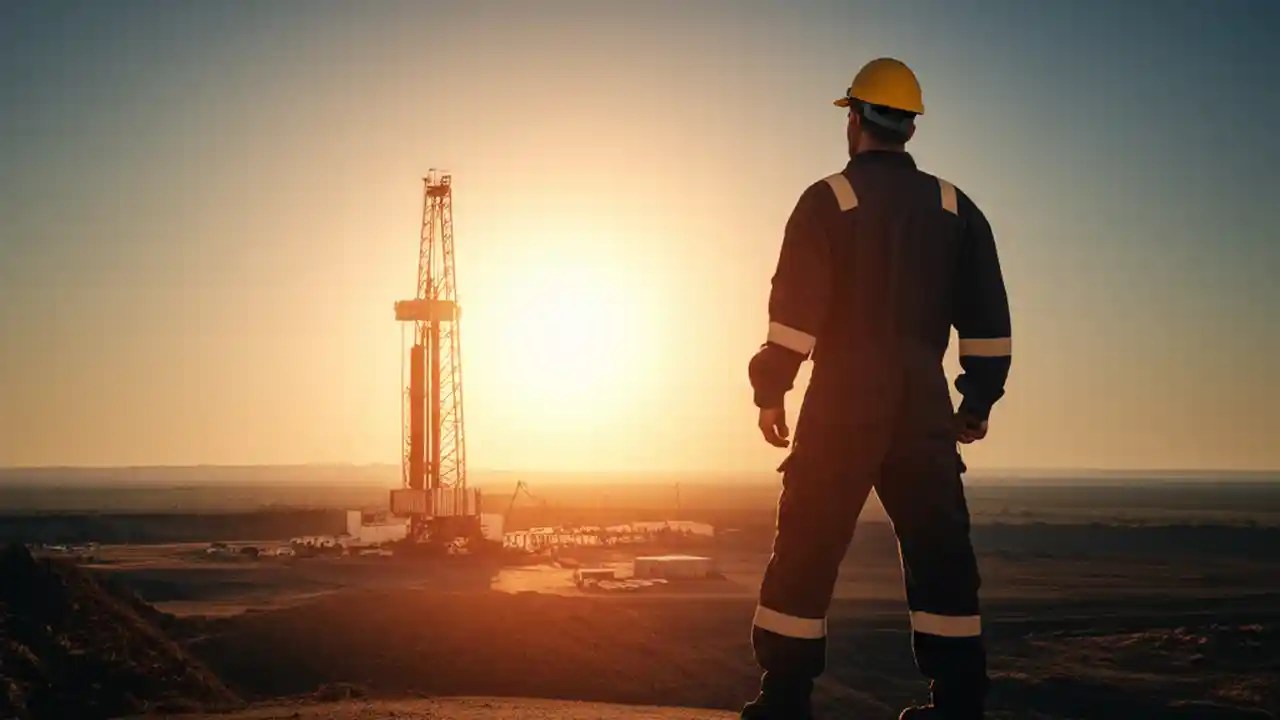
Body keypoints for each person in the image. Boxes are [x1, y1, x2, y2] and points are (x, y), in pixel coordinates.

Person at [742, 58, 1012, 720]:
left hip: (841, 407)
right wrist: (977, 401)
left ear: (855, 120)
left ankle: (784, 701)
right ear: (910, 129)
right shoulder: (957, 208)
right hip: (921, 409)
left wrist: (770, 391)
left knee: (808, 544)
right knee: (940, 552)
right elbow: (988, 321)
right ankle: (957, 704)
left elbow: (794, 317)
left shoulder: (829, 200)